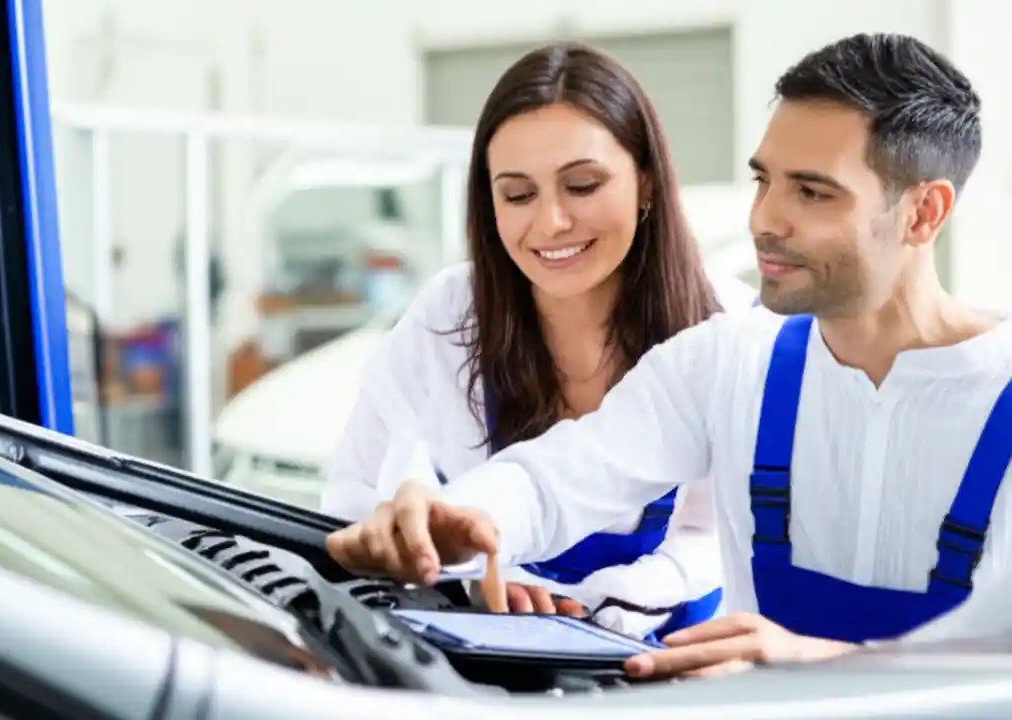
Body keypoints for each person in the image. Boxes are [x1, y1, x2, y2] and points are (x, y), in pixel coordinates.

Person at [326, 31, 1012, 679]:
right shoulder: (729, 360)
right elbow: (560, 477)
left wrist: (825, 663)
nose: (764, 221)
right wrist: (463, 520)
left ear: (923, 213)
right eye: (762, 182)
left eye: (810, 191)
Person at [320, 42, 757, 641]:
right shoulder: (451, 316)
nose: (551, 222)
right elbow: (354, 495)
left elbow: (731, 532)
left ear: (647, 183)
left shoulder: (725, 327)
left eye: (582, 185)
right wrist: (468, 567)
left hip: (672, 663)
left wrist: (648, 590)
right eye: (518, 195)